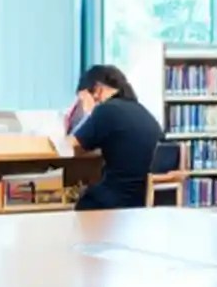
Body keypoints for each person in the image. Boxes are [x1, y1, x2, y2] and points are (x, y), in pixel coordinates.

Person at [67, 65, 164, 211]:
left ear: (97, 90)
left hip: (118, 201)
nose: (83, 108)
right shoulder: (142, 110)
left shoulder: (106, 110)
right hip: (144, 199)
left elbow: (72, 145)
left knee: (82, 201)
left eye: (82, 100)